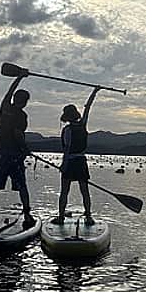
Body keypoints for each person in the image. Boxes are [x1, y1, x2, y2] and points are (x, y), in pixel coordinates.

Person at [0, 70, 34, 228]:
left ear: (14, 99)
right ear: (25, 102)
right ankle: (27, 215)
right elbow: (18, 134)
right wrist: (25, 148)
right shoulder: (22, 115)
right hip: (15, 155)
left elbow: (8, 93)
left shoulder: (5, 106)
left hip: (1, 152)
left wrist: (19, 78)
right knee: (22, 186)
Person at [53, 86, 99, 225]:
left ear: (67, 117)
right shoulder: (83, 124)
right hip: (81, 162)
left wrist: (64, 165)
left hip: (71, 162)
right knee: (84, 190)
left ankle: (61, 217)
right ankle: (88, 216)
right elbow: (88, 107)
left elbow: (67, 149)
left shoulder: (68, 130)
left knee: (64, 191)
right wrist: (95, 92)